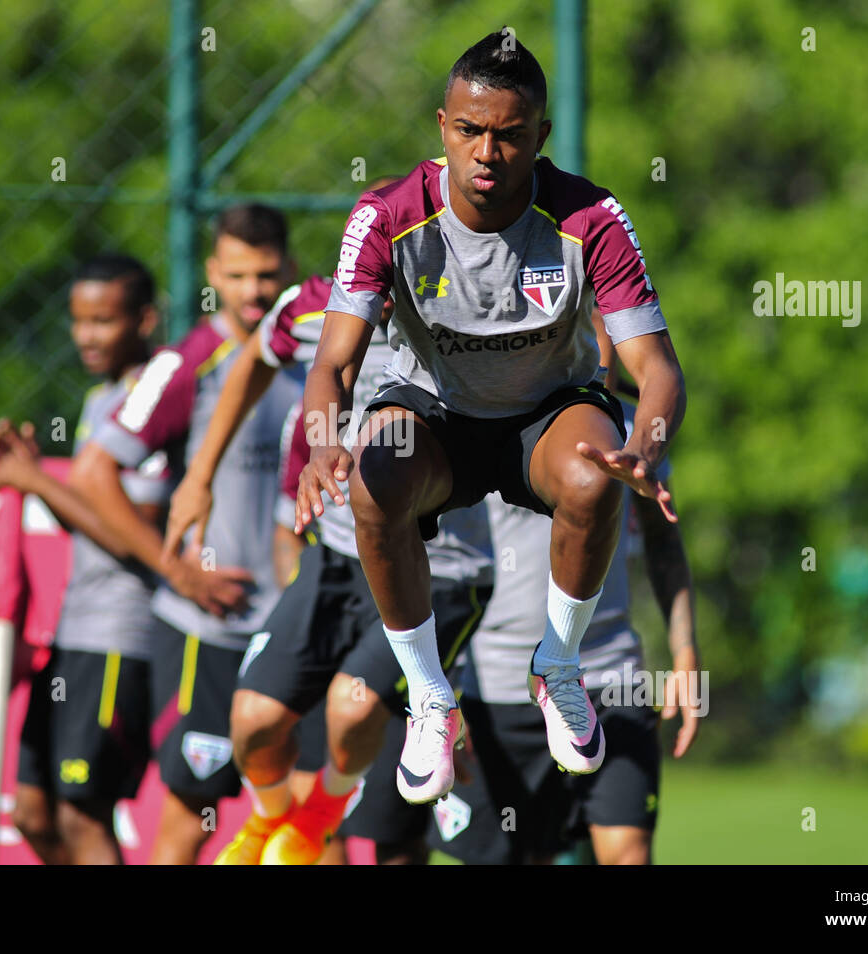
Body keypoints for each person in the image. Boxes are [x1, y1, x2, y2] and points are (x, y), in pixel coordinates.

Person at [298, 32, 686, 805]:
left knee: (594, 473)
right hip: (435, 415)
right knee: (374, 481)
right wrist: (320, 446)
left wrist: (647, 444)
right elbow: (335, 362)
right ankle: (430, 698)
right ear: (442, 125)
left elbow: (657, 368)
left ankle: (559, 665)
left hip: (547, 414)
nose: (487, 152)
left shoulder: (591, 217)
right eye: (470, 131)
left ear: (539, 138)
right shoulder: (386, 215)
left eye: (508, 135)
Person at [162, 247, 493, 865]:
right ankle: (270, 823)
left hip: (438, 569)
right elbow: (254, 362)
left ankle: (316, 820)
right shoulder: (312, 305)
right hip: (337, 556)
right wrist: (199, 475)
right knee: (253, 719)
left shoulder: (470, 311)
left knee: (351, 708)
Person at [72, 204, 299, 864]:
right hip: (211, 631)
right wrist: (178, 572)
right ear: (213, 274)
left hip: (296, 630)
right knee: (190, 821)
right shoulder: (188, 363)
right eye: (237, 275)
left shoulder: (318, 348)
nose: (254, 290)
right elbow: (93, 471)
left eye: (265, 274)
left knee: (311, 815)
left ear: (286, 267)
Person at [430, 341, 700, 865]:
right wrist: (441, 686)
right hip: (499, 686)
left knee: (627, 855)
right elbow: (443, 566)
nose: (599, 346)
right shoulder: (481, 423)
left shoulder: (637, 430)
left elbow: (666, 547)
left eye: (607, 328)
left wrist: (685, 655)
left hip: (609, 679)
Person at [0, 254, 168, 864]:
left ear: (143, 320)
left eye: (103, 321)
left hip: (121, 636)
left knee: (84, 816)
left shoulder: (156, 402)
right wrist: (34, 474)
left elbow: (134, 536)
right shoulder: (99, 400)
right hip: (74, 632)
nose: (86, 335)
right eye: (79, 320)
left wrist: (37, 483)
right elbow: (95, 525)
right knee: (33, 814)